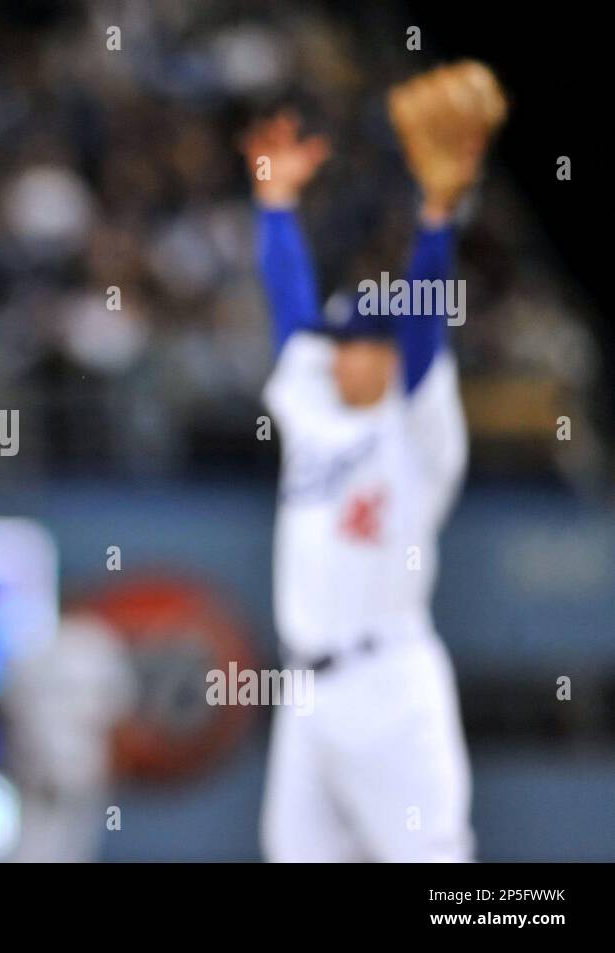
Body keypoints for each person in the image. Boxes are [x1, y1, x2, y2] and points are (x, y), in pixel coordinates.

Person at [241, 96, 492, 861]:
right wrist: (276, 206)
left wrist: (437, 222)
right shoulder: (314, 402)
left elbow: (421, 329)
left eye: (364, 343)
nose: (346, 354)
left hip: (390, 681)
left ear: (390, 354)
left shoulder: (415, 424)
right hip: (307, 691)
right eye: (343, 341)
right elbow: (291, 309)